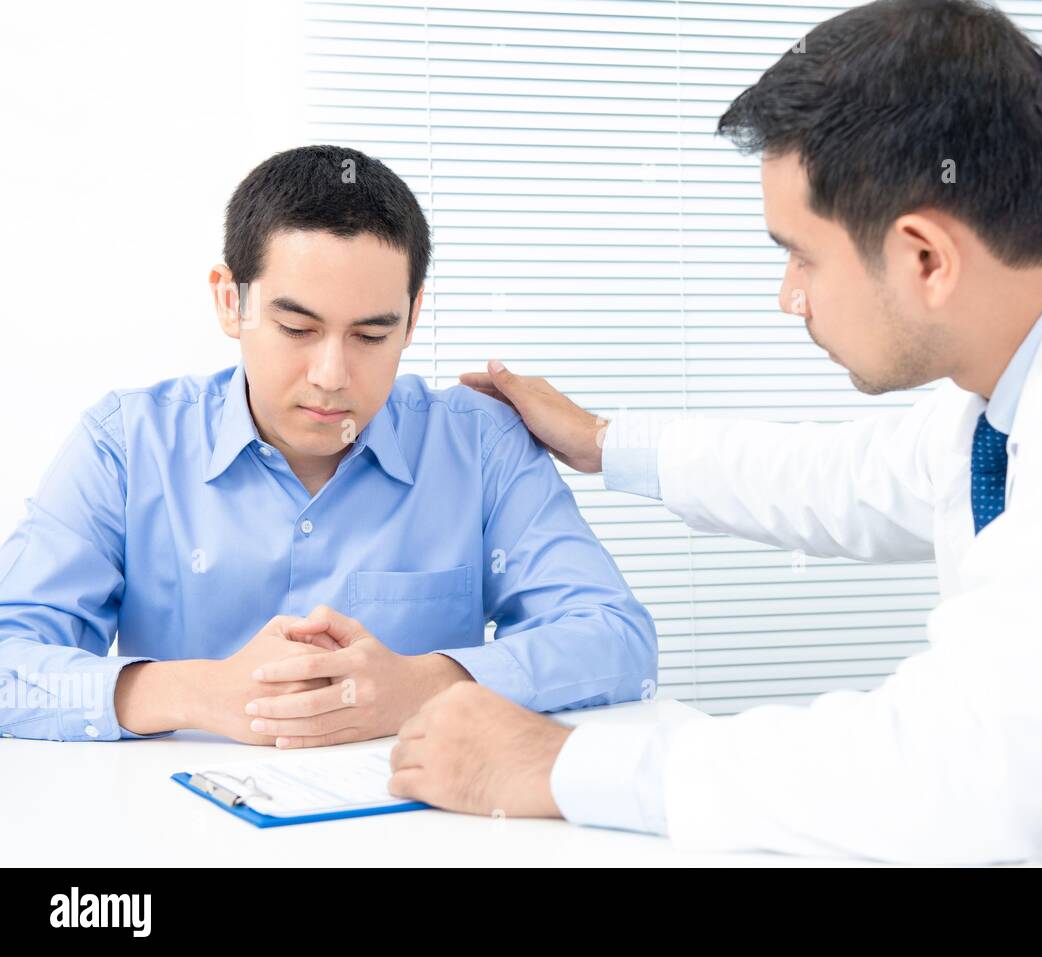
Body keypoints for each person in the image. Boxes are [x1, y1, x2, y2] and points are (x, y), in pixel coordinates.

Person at [382, 0, 1042, 865]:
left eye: (800, 255)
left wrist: (562, 766)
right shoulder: (1021, 383)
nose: (790, 297)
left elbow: (966, 765)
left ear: (925, 256)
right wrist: (601, 440)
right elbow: (836, 477)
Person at [0, 145, 656, 747]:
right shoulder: (126, 445)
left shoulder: (480, 444)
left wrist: (425, 684)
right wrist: (194, 692)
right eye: (297, 326)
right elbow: (9, 660)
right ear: (231, 301)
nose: (332, 375)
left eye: (371, 335)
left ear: (413, 315)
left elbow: (617, 641)